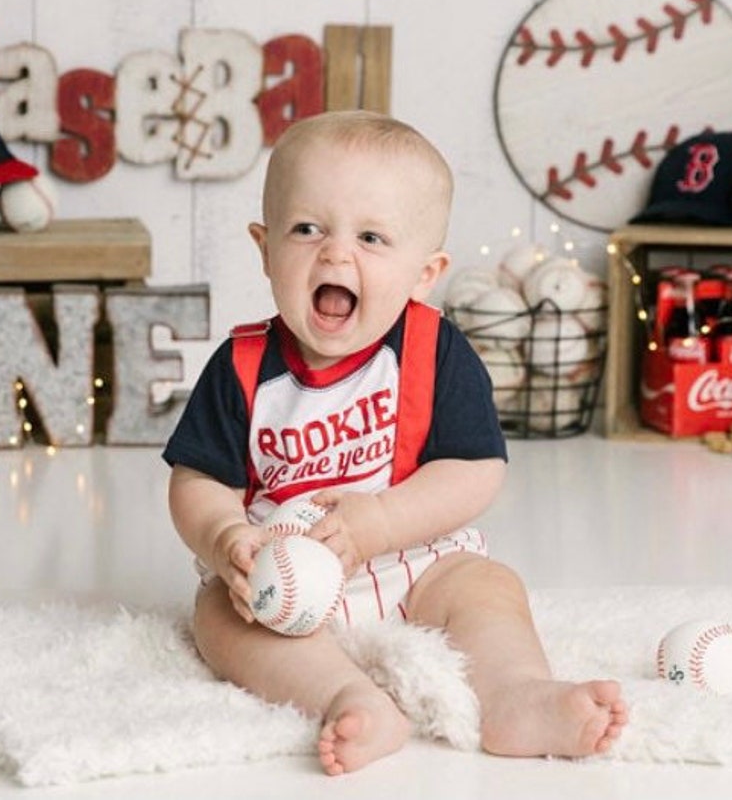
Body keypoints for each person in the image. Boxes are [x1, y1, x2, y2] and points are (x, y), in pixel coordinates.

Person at [164, 110, 627, 775]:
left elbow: (475, 470)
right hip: (283, 576)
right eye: (306, 228)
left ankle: (514, 694)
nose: (336, 253)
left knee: (487, 587)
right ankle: (347, 696)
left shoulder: (433, 352)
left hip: (415, 556)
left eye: (372, 237)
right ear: (264, 247)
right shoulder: (240, 366)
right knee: (217, 618)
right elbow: (195, 478)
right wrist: (223, 537)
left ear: (423, 272)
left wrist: (380, 520)